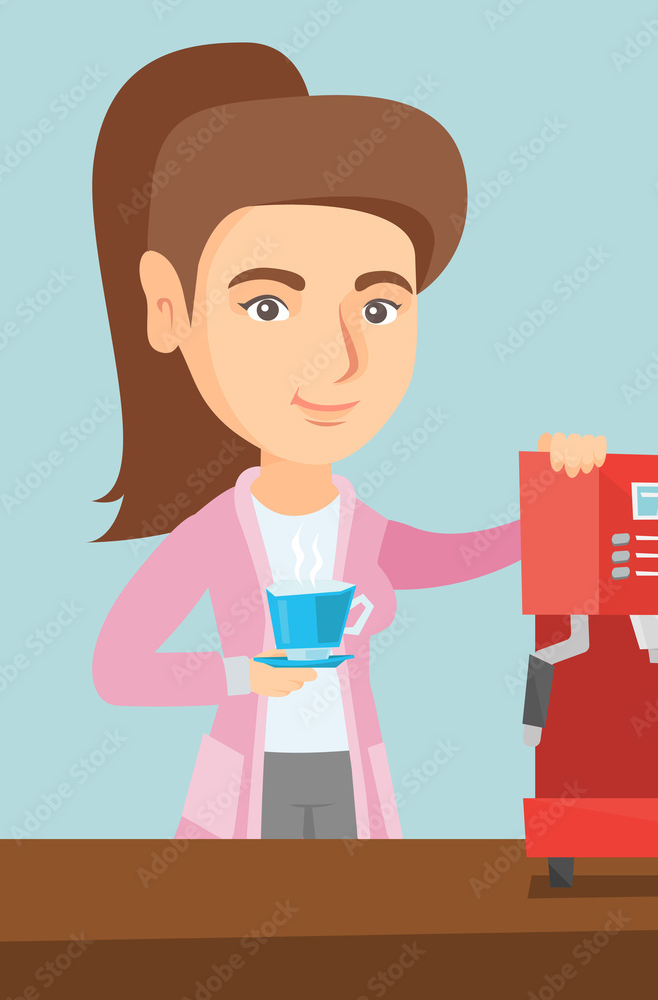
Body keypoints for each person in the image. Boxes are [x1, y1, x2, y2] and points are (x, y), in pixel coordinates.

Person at [91, 43, 605, 840]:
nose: (340, 360)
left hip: (350, 780)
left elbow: (467, 556)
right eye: (268, 306)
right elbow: (118, 670)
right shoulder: (213, 539)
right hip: (243, 791)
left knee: (352, 935)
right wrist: (244, 677)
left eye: (377, 310)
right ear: (168, 308)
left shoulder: (362, 533)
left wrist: (564, 491)